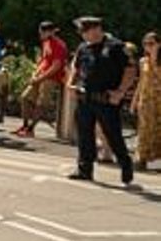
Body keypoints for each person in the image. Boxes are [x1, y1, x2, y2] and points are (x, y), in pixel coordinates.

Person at [67, 16, 135, 184]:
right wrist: (70, 84)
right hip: (84, 97)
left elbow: (130, 70)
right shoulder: (83, 47)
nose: (81, 34)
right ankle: (84, 169)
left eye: (84, 30)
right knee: (84, 135)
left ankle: (125, 163)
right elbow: (75, 67)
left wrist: (120, 92)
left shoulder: (116, 47)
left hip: (106, 99)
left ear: (96, 29)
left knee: (112, 134)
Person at [17, 20, 68, 137]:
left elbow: (56, 66)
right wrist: (35, 74)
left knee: (41, 104)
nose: (40, 35)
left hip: (51, 78)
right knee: (25, 98)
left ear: (49, 32)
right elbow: (44, 61)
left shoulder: (59, 45)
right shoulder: (46, 42)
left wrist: (40, 78)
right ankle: (25, 126)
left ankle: (30, 129)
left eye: (41, 33)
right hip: (41, 76)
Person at [132, 31, 160, 171]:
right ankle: (141, 158)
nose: (148, 47)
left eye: (151, 44)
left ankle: (157, 160)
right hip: (146, 99)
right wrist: (135, 100)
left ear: (158, 44)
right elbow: (141, 82)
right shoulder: (143, 61)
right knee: (144, 129)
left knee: (158, 130)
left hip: (159, 100)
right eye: (145, 44)